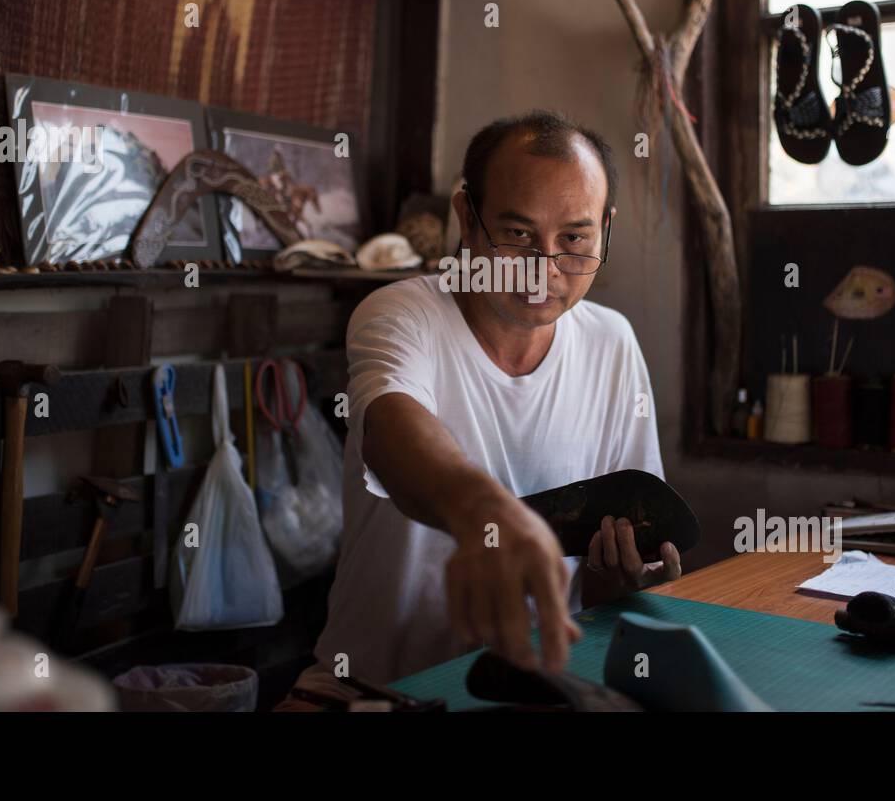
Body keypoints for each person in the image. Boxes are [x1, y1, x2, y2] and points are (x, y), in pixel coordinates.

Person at [280, 110, 679, 708]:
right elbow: (393, 434)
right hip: (372, 690)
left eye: (574, 239)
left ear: (605, 231)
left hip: (533, 689)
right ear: (467, 219)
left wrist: (629, 575)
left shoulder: (612, 343)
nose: (543, 271)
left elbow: (606, 575)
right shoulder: (400, 314)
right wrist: (487, 514)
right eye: (517, 235)